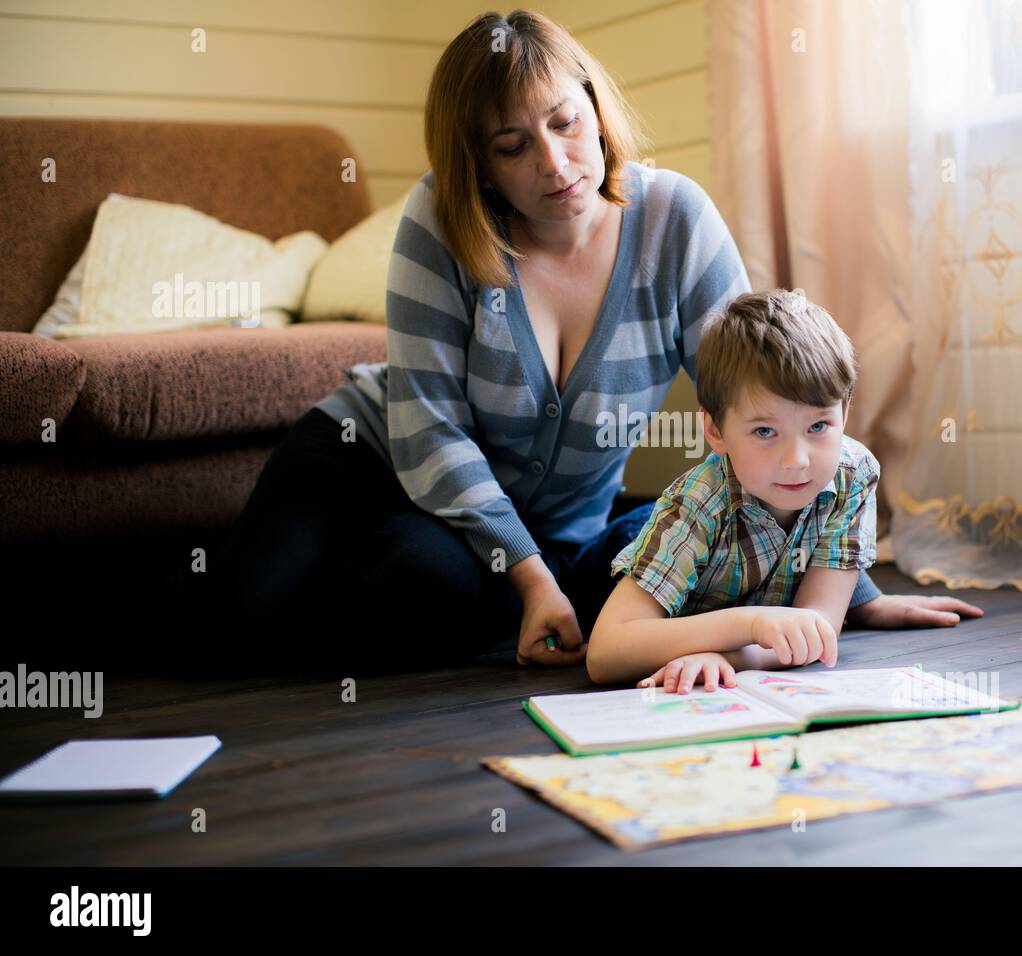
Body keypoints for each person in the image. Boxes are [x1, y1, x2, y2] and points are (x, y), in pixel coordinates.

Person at [165, 10, 976, 668]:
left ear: (596, 108)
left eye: (566, 123)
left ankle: (446, 583)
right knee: (230, 633)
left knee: (434, 586)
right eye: (513, 145)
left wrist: (851, 589)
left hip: (524, 532)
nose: (555, 162)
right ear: (478, 165)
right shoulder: (437, 222)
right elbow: (429, 428)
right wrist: (530, 582)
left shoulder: (674, 221)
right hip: (371, 457)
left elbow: (762, 403)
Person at [588, 290, 883, 689]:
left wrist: (725, 657)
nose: (797, 460)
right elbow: (605, 653)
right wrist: (752, 623)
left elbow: (813, 631)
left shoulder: (855, 473)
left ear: (844, 413)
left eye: (818, 426)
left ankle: (867, 600)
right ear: (715, 431)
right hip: (621, 549)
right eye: (765, 431)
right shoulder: (695, 504)